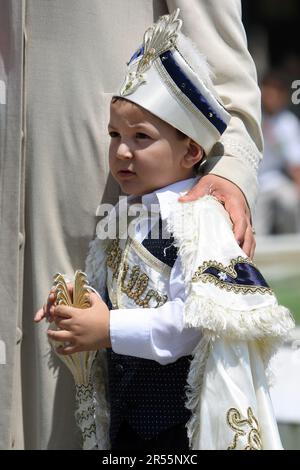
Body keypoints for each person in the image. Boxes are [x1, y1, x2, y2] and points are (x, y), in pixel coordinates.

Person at [1, 0, 262, 450]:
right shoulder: (125, 221)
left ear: (190, 152)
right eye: (115, 136)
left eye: (140, 137)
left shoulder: (196, 223)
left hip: (170, 430)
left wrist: (109, 330)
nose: (123, 152)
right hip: (121, 420)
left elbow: (196, 320)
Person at [254, 70, 300, 235]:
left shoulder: (288, 123)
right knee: (257, 228)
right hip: (252, 180)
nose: (271, 96)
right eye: (268, 90)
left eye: (276, 92)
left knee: (290, 201)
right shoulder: (251, 116)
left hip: (275, 179)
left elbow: (295, 162)